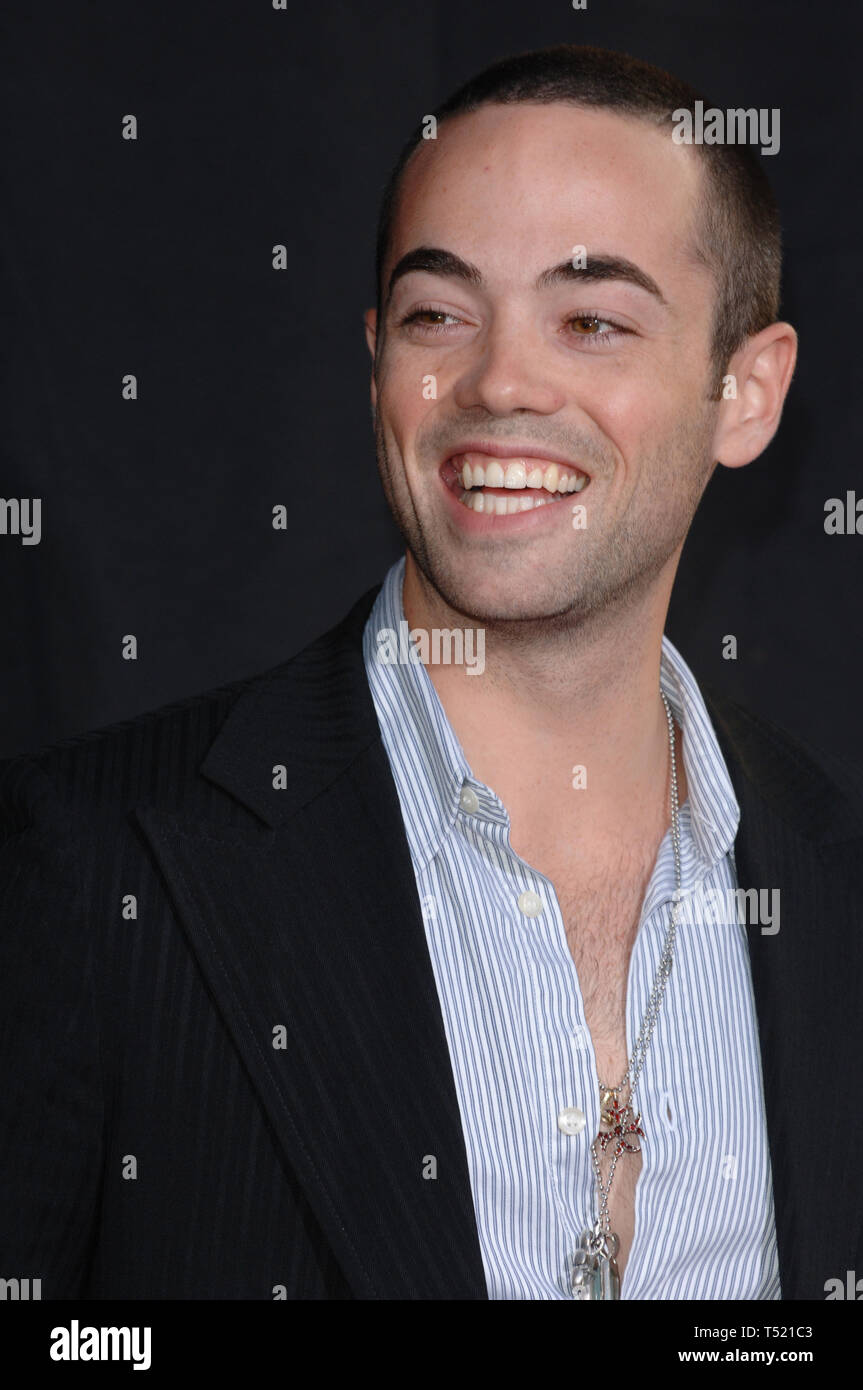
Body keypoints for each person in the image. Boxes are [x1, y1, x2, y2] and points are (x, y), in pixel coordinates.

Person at [1, 43, 860, 1303]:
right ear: (375, 361)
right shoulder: (87, 868)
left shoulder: (832, 884)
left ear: (745, 391)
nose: (498, 381)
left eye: (591, 320)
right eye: (436, 315)